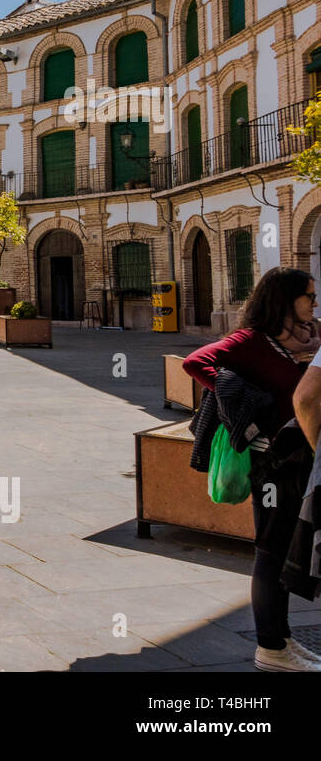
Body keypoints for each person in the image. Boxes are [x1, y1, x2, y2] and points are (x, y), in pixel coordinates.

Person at [185, 268, 320, 671]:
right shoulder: (250, 341)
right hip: (272, 462)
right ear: (284, 299)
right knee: (270, 552)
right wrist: (238, 392)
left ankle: (282, 641)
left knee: (281, 552)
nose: (314, 302)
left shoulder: (302, 339)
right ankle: (270, 648)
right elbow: (196, 362)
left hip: (301, 457)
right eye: (309, 296)